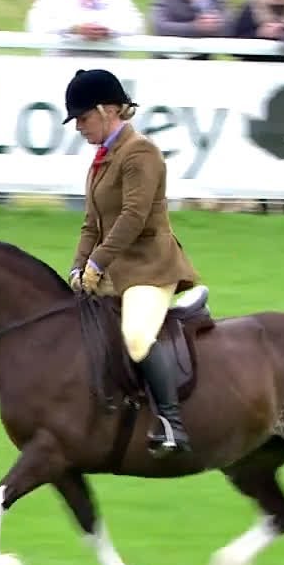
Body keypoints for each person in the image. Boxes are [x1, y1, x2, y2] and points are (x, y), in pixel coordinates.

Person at [63, 68, 199, 457]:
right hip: (114, 269)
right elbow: (93, 223)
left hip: (150, 268)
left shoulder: (141, 153)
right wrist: (78, 267)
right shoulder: (101, 159)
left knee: (137, 337)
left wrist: (98, 265)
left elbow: (133, 217)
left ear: (108, 111)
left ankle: (173, 425)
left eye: (83, 118)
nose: (79, 128)